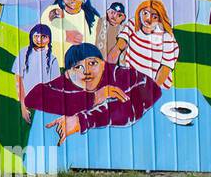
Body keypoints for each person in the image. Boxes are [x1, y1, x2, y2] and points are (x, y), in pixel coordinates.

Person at [26, 43, 162, 145]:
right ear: (67, 74)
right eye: (78, 67)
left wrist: (82, 121)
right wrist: (94, 98)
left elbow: (152, 90)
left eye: (92, 63)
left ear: (103, 64)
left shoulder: (116, 74)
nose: (86, 71)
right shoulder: (66, 81)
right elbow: (33, 97)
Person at [111, 0, 180, 89]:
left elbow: (165, 69)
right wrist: (108, 73)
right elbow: (118, 47)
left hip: (157, 86)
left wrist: (151, 90)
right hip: (132, 82)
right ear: (140, 12)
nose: (148, 19)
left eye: (154, 17)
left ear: (160, 18)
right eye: (145, 13)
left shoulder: (167, 37)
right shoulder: (134, 24)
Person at [39, 0, 100, 69]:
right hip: (55, 65)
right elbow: (51, 19)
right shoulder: (53, 10)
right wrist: (66, 34)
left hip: (81, 67)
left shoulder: (92, 18)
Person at [12, 23, 59, 123]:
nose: (39, 39)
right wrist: (23, 105)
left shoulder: (53, 59)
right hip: (25, 101)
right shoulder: (23, 53)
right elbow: (18, 79)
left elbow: (54, 85)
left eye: (43, 36)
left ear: (49, 39)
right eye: (36, 36)